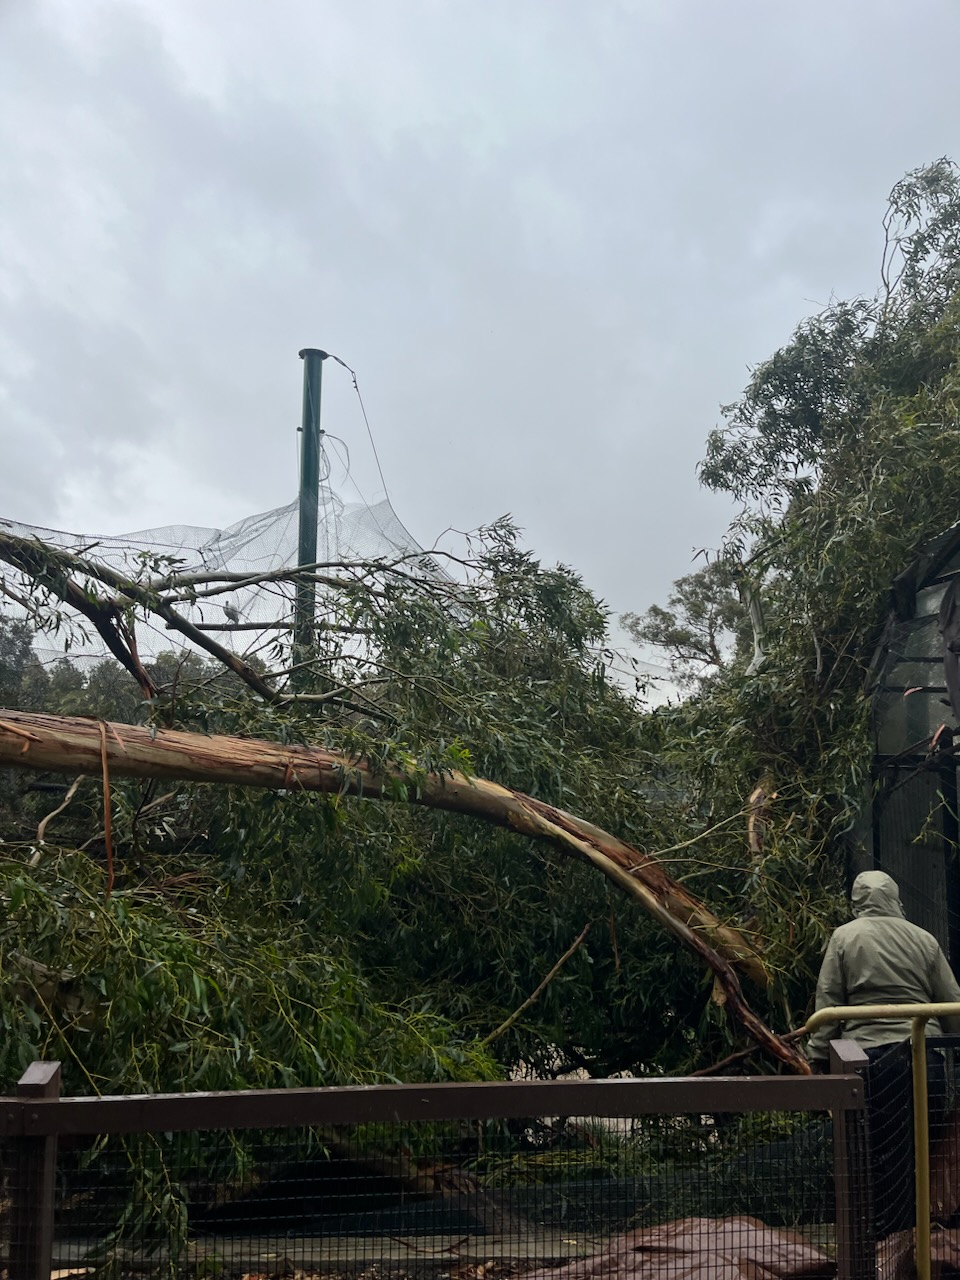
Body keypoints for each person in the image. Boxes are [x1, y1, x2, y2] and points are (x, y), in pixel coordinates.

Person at [807, 870, 960, 1237]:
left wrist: (817, 1055)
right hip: (926, 1059)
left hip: (870, 1061)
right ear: (896, 898)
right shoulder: (924, 939)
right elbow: (951, 1001)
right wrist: (954, 1048)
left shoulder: (845, 937)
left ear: (856, 902)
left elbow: (829, 1001)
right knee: (923, 1148)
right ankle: (919, 1237)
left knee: (877, 1151)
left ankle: (885, 1240)